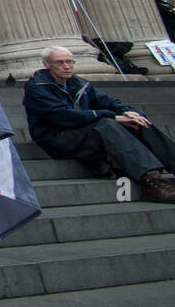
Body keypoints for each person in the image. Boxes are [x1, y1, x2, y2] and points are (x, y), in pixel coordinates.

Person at [23, 47, 175, 203]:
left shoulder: (78, 83)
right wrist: (112, 116)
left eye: (69, 62)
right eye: (60, 62)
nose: (67, 66)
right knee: (106, 124)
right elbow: (63, 116)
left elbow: (108, 103)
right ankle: (151, 182)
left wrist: (129, 112)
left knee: (138, 122)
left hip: (85, 133)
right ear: (46, 64)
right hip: (57, 139)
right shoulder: (37, 87)